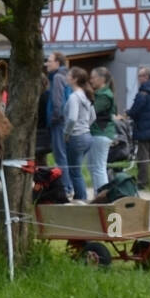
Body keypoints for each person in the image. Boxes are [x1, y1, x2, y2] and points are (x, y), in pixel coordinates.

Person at [126, 66, 150, 189]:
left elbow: (135, 110)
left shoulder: (143, 92)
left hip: (145, 128)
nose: (138, 78)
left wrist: (127, 112)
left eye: (140, 76)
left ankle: (142, 182)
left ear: (146, 77)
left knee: (143, 157)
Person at [64, 66, 94, 202]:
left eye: (69, 75)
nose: (66, 77)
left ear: (74, 79)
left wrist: (66, 133)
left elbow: (72, 118)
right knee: (77, 170)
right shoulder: (86, 95)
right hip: (87, 135)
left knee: (74, 172)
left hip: (76, 137)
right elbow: (93, 116)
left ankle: (81, 198)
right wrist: (85, 126)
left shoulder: (74, 97)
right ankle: (81, 197)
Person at [45, 52, 72, 198]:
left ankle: (66, 188)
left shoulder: (57, 77)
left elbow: (57, 101)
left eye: (49, 61)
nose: (47, 64)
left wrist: (54, 118)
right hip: (64, 122)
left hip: (58, 123)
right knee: (64, 156)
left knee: (60, 156)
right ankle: (68, 186)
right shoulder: (65, 76)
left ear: (58, 63)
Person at [88, 67, 117, 195]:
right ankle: (98, 195)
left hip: (101, 133)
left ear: (102, 79)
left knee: (99, 168)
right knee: (95, 167)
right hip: (99, 134)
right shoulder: (103, 93)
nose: (91, 80)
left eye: (93, 77)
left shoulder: (104, 95)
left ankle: (103, 196)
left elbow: (92, 112)